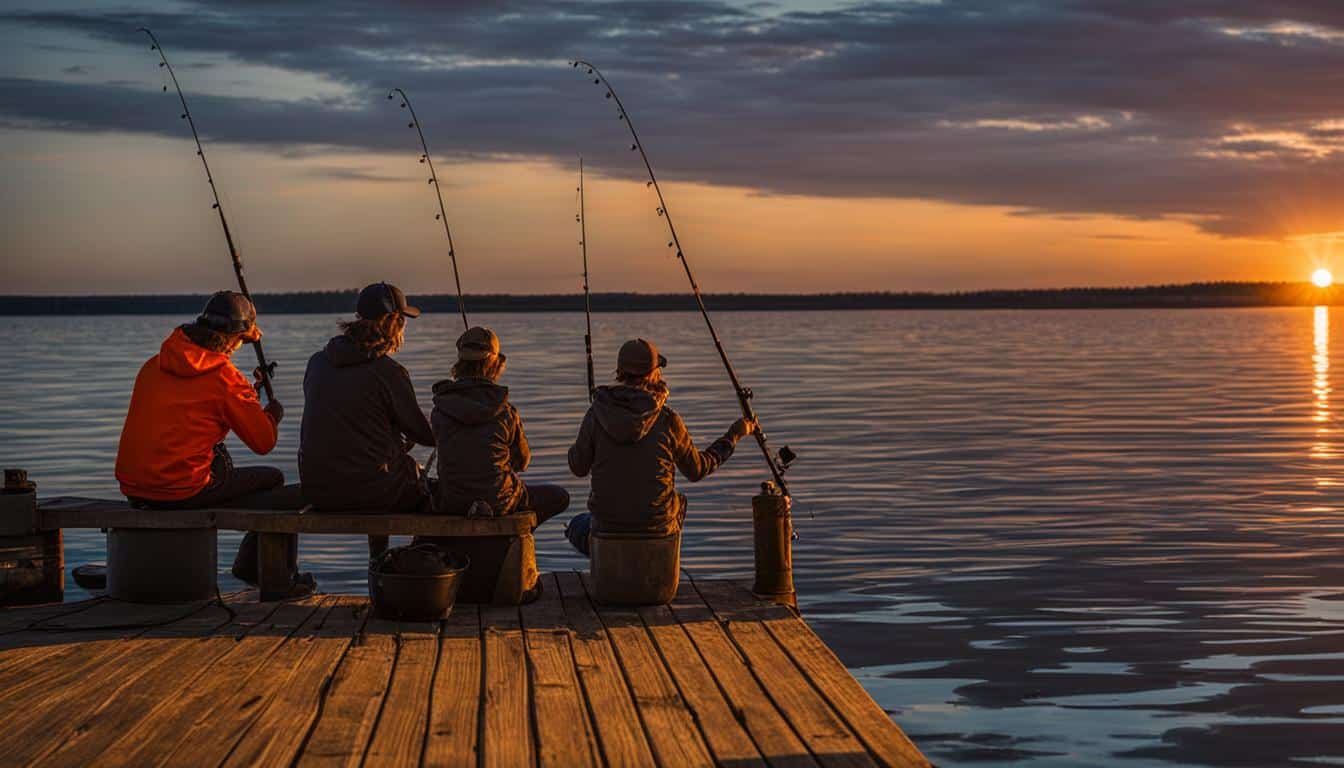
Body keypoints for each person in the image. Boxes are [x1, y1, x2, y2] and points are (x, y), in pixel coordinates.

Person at [115, 291, 310, 594]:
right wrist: (271, 414)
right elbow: (263, 441)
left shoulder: (154, 365)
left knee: (223, 463)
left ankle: (252, 566)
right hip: (181, 490)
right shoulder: (223, 377)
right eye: (241, 341)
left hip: (135, 488)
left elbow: (192, 416)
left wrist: (246, 396)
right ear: (235, 338)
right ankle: (272, 575)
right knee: (274, 479)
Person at [565, 338, 755, 555]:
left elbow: (577, 467)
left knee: (578, 524)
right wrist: (734, 435)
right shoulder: (669, 420)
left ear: (619, 372)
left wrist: (582, 442)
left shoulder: (596, 415)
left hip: (607, 531)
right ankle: (658, 565)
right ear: (654, 373)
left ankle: (613, 570)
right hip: (657, 531)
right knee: (679, 502)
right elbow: (697, 470)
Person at [297, 282, 435, 558]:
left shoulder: (317, 362)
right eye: (402, 321)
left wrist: (391, 438)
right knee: (434, 495)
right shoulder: (389, 372)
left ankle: (378, 560)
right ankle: (420, 565)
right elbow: (426, 435)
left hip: (318, 490)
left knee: (385, 469)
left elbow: (349, 424)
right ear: (391, 322)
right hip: (372, 491)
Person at [427, 327, 569, 525]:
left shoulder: (440, 409)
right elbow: (523, 462)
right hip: (501, 501)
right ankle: (514, 538)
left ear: (460, 363)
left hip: (452, 502)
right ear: (496, 363)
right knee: (559, 496)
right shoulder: (505, 411)